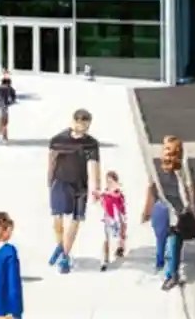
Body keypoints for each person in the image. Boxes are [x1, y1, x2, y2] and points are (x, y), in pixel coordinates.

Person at [142, 135, 195, 290]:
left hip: (177, 212)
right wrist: (147, 210)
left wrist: (193, 209)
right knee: (167, 241)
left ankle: (171, 275)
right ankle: (170, 272)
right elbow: (152, 188)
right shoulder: (158, 166)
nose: (164, 152)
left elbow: (192, 187)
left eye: (167, 149)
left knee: (173, 243)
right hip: (166, 207)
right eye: (164, 148)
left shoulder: (181, 169)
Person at [47, 108, 101, 274]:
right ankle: (60, 246)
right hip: (60, 181)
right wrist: (49, 180)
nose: (84, 130)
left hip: (80, 184)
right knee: (58, 218)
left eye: (86, 127)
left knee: (76, 220)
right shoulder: (57, 140)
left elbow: (94, 165)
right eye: (81, 126)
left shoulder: (91, 143)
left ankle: (64, 255)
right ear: (74, 122)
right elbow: (52, 160)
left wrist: (96, 188)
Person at [99, 170, 127, 271]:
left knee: (119, 235)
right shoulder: (105, 193)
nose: (109, 184)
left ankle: (120, 248)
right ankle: (104, 260)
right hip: (107, 219)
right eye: (108, 182)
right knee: (105, 239)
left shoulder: (118, 194)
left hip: (117, 219)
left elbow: (122, 206)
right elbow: (102, 203)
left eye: (112, 182)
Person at [0, 74, 16, 143]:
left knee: (1, 122)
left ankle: (2, 137)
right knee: (5, 122)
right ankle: (3, 136)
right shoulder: (11, 89)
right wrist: (9, 103)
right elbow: (13, 98)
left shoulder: (0, 87)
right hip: (5, 107)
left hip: (0, 107)